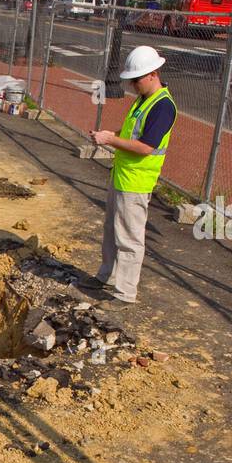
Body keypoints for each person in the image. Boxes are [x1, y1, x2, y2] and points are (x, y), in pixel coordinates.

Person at [88, 45, 178, 304]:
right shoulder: (144, 100)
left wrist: (111, 141)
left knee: (129, 238)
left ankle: (125, 292)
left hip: (136, 181)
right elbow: (132, 134)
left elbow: (145, 147)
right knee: (111, 231)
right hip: (122, 176)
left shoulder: (162, 106)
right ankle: (106, 275)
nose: (133, 85)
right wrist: (111, 135)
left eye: (136, 80)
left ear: (153, 74)